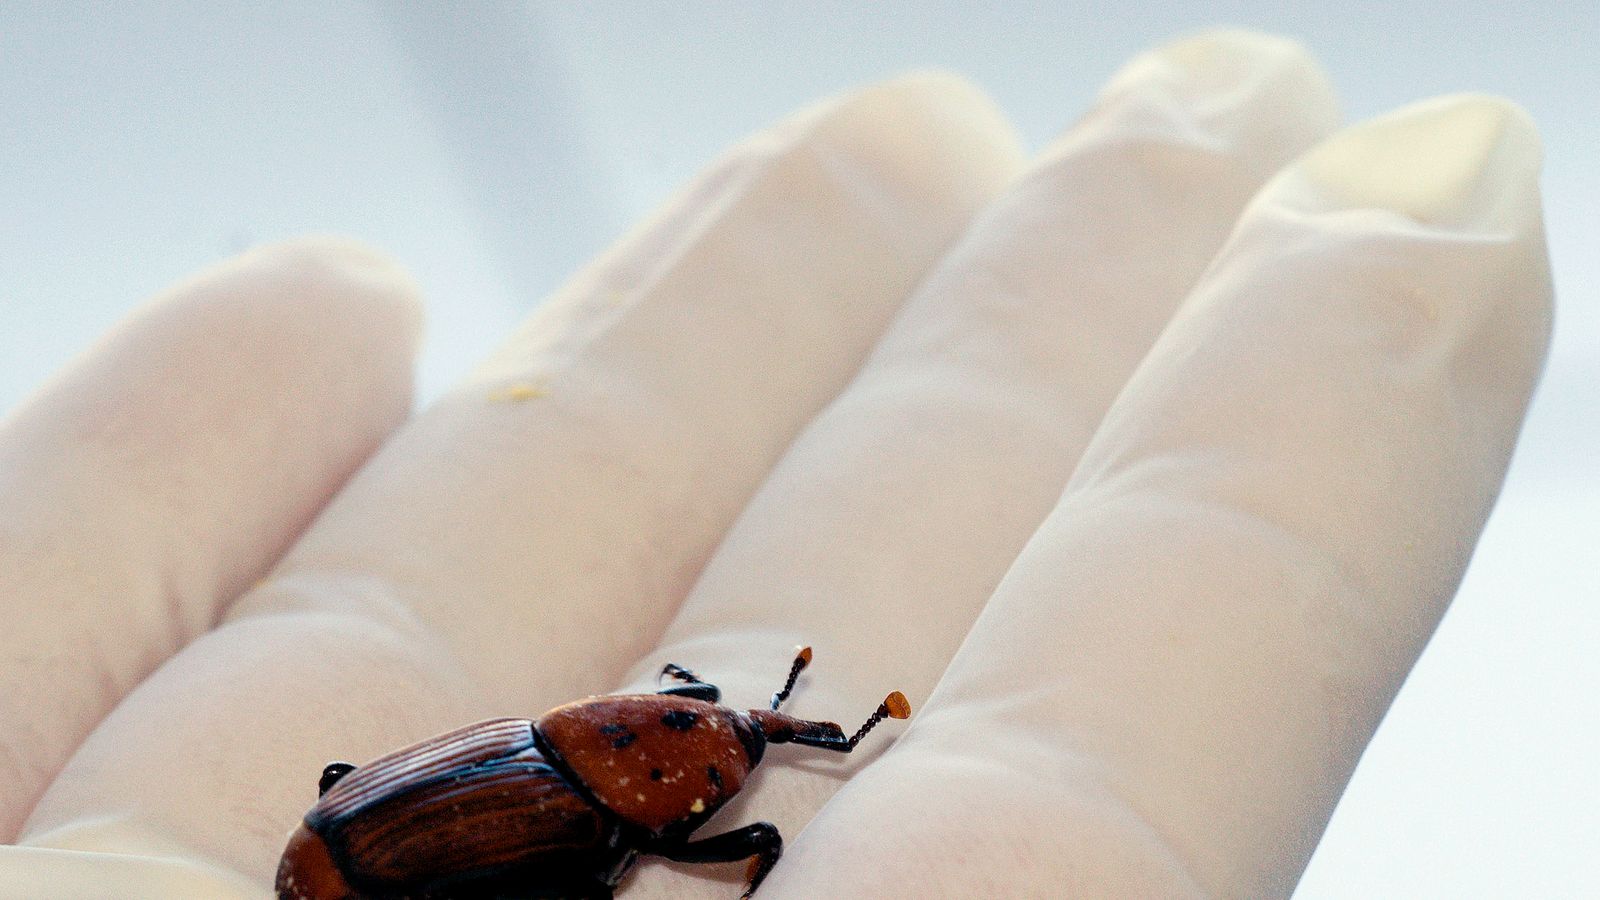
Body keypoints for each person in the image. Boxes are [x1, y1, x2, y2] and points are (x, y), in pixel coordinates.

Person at [0, 29, 1549, 899]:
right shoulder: (593, 796)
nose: (735, 736)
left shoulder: (577, 760)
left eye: (718, 730)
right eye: (720, 729)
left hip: (347, 844)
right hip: (350, 864)